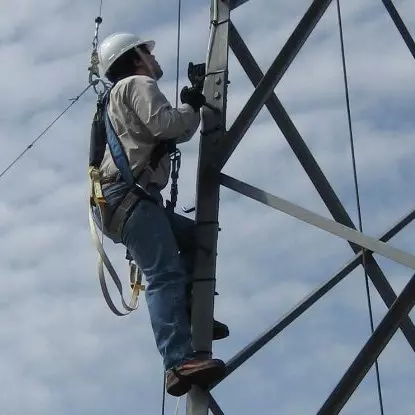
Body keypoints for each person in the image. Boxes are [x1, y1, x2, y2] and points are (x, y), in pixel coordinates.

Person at [94, 32, 228, 397]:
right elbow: (168, 126)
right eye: (147, 53)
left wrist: (189, 102)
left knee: (201, 239)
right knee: (164, 272)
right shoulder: (136, 83)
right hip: (130, 198)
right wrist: (193, 105)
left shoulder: (117, 97)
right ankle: (178, 362)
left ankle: (186, 310)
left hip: (124, 200)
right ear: (135, 57)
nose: (153, 59)